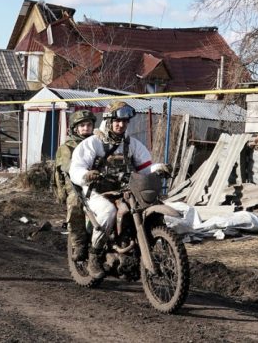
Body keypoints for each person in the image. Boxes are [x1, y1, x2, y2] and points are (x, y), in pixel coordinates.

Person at [69, 101, 171, 279]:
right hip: (96, 191)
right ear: (108, 121)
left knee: (147, 210)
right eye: (117, 121)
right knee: (108, 212)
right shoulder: (93, 143)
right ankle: (95, 255)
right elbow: (75, 169)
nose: (121, 125)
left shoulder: (132, 144)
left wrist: (159, 168)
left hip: (125, 190)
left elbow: (145, 168)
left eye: (124, 121)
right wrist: (87, 175)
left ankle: (145, 251)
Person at [54, 110, 97, 262]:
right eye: (82, 125)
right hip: (75, 185)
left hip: (97, 182)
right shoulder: (67, 147)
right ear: (75, 128)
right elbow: (67, 168)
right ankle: (79, 244)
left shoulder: (97, 142)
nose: (86, 128)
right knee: (76, 207)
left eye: (89, 125)